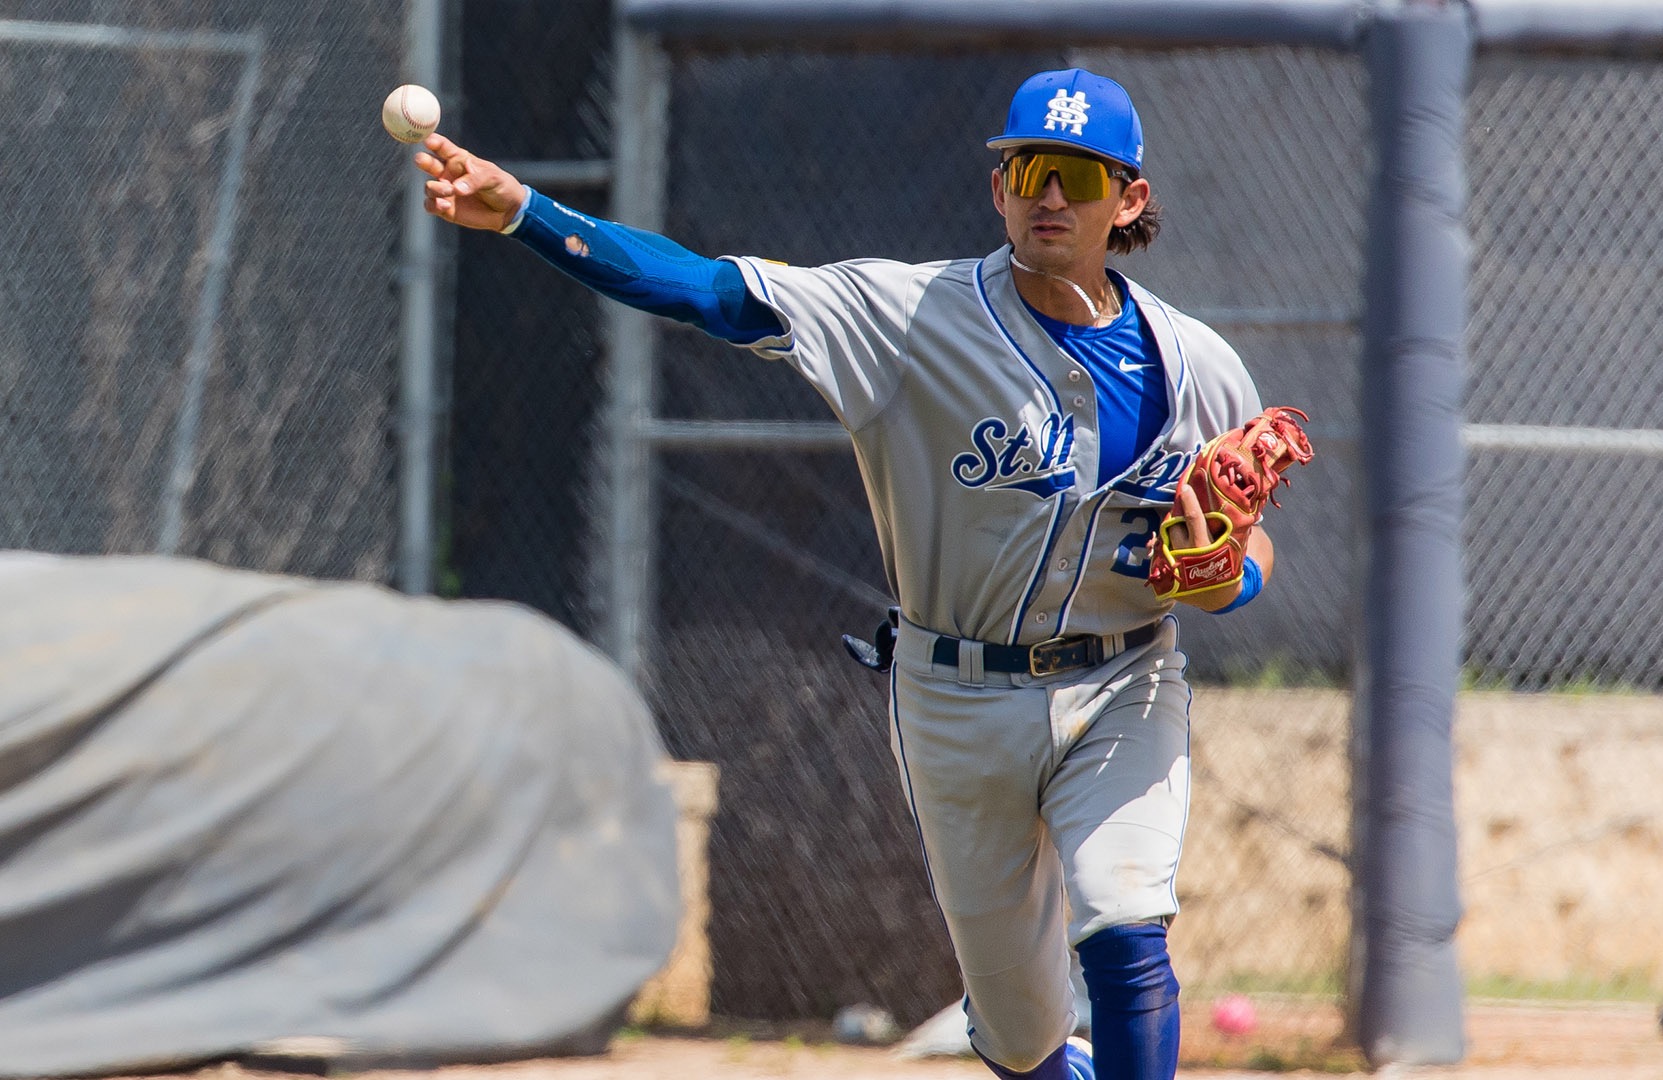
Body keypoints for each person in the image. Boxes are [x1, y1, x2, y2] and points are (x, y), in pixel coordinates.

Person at [416, 67, 1286, 1080]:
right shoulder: (907, 314)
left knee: (1128, 928)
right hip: (959, 698)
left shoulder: (1200, 366)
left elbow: (1253, 543)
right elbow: (710, 292)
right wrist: (527, 213)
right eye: (1032, 170)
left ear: (1128, 200)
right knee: (1020, 1040)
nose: (1053, 196)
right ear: (998, 187)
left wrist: (1232, 582)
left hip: (1124, 684)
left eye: (1082, 178)